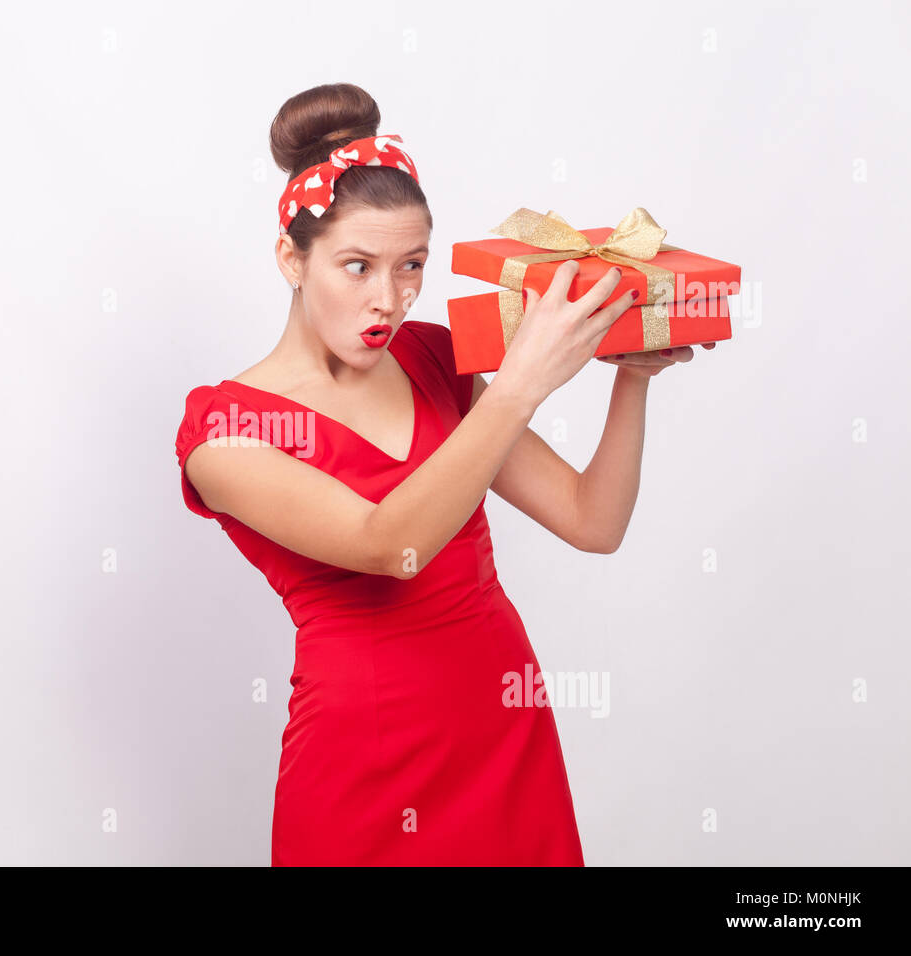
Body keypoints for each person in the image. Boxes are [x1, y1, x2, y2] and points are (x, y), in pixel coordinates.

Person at [173, 83, 713, 866]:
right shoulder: (224, 430)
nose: (387, 300)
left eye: (411, 267)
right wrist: (523, 381)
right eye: (356, 266)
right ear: (292, 257)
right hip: (365, 749)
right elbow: (391, 544)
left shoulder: (432, 359)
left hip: (499, 716)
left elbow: (592, 523)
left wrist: (633, 377)